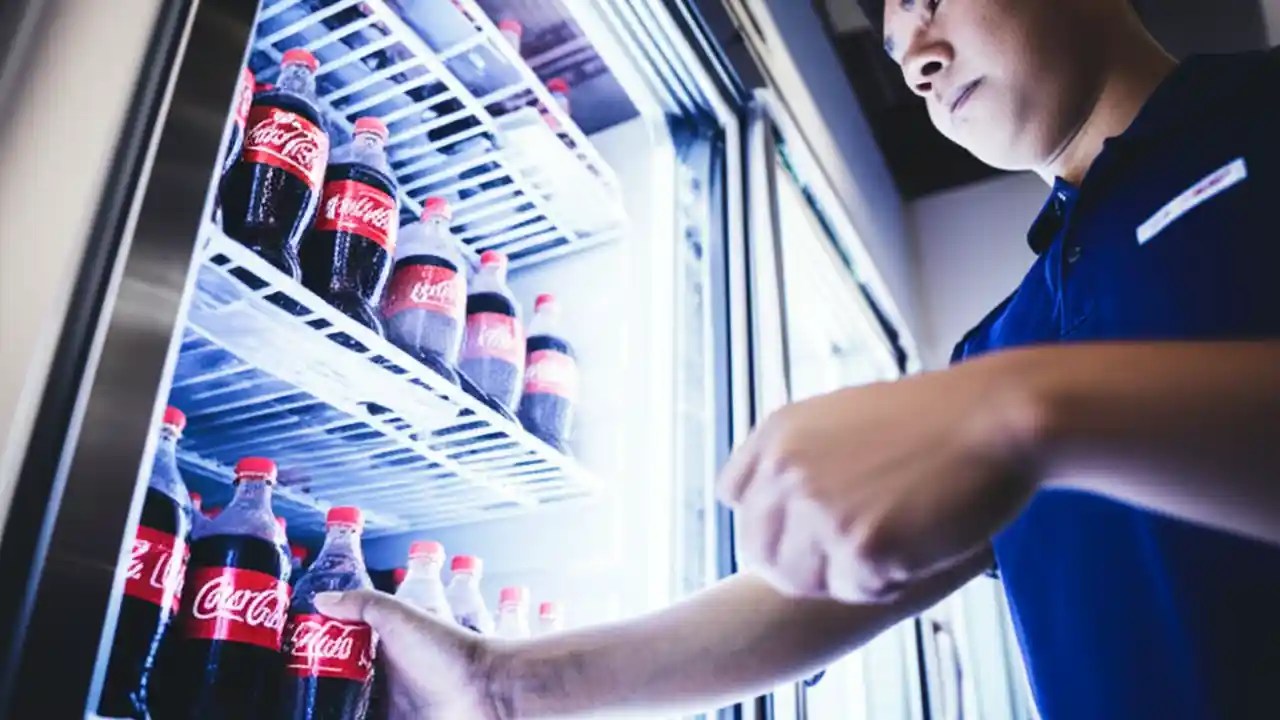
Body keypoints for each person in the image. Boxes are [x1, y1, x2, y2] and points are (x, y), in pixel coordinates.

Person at [315, 0, 1280, 717]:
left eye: (929, 1)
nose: (919, 59)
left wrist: (1021, 415)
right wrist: (502, 684)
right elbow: (808, 601)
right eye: (898, 47)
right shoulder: (1000, 343)